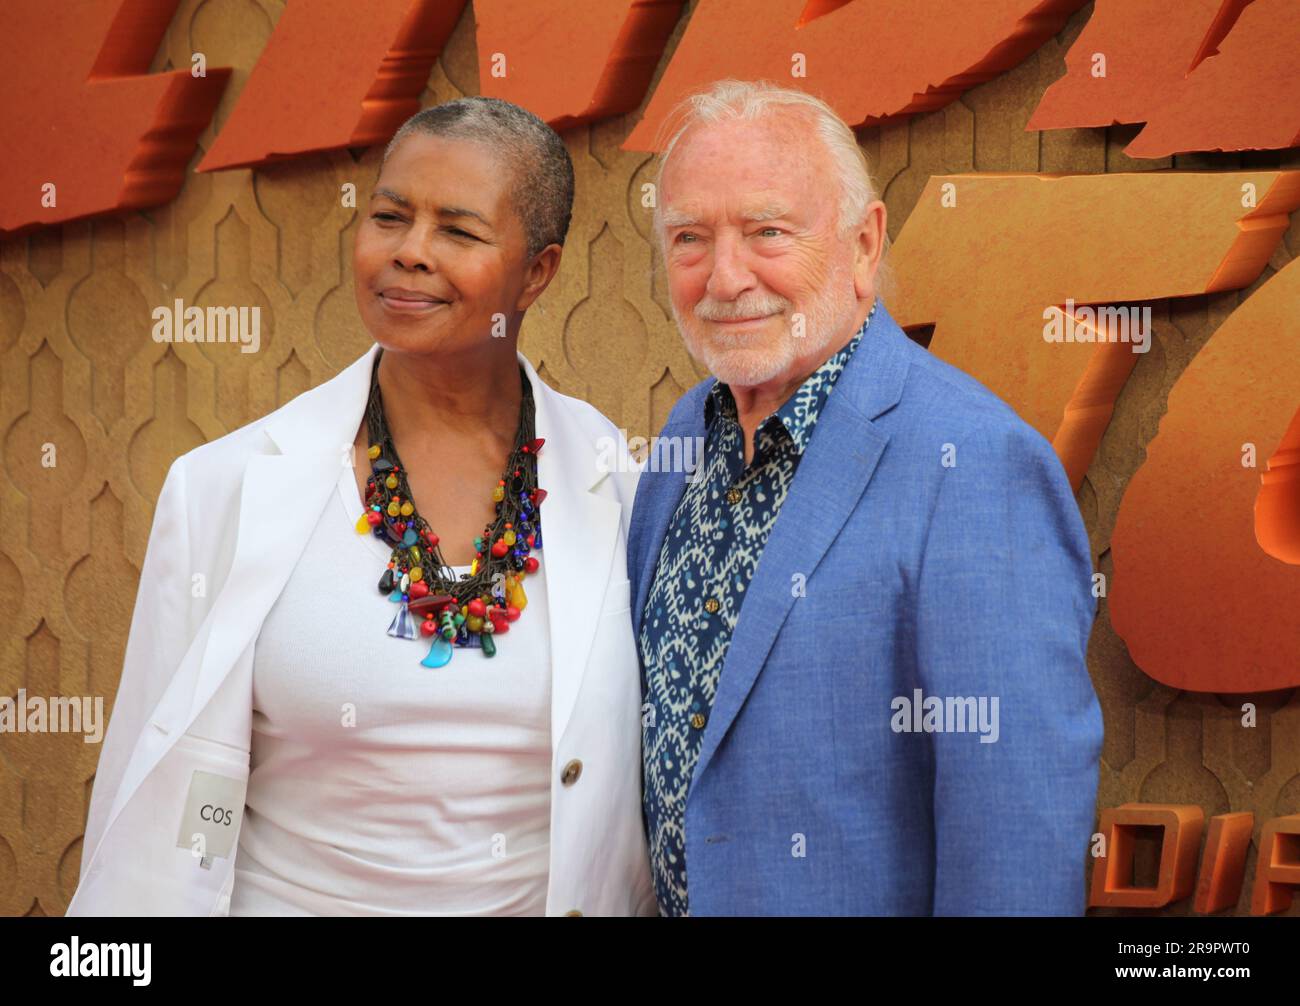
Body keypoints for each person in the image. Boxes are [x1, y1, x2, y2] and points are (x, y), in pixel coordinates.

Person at [67, 97, 655, 916]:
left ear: (538, 272)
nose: (410, 253)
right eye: (389, 217)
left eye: (458, 230)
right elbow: (155, 803)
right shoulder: (225, 487)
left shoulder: (618, 484)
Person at [628, 79, 1105, 916]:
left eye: (768, 232)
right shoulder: (682, 439)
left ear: (864, 243)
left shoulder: (975, 464)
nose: (725, 277)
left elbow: (1016, 842)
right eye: (690, 238)